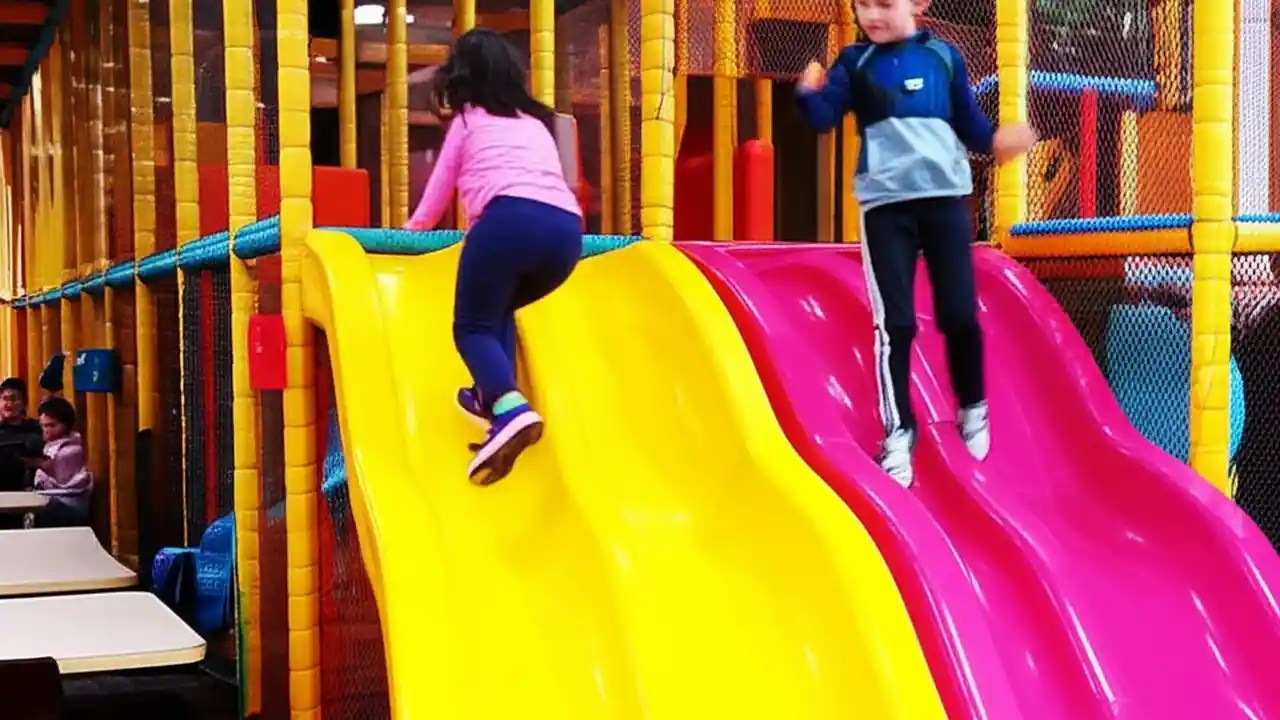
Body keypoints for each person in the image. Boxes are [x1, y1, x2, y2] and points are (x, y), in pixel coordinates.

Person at [795, 0, 1037, 487]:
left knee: (959, 313)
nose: (871, 15)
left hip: (944, 203)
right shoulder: (856, 62)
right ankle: (898, 436)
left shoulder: (944, 59)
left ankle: (973, 406)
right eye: (863, 4)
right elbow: (823, 118)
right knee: (895, 325)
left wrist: (998, 141)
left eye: (885, 4)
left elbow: (969, 125)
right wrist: (806, 93)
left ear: (918, 3)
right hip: (886, 209)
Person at [404, 28, 583, 486]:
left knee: (471, 327)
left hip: (508, 221)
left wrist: (408, 235)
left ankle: (510, 406)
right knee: (495, 309)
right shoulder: (534, 124)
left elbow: (438, 193)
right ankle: (491, 397)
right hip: (566, 234)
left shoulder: (469, 120)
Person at [26, 397, 92, 528]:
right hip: (52, 500)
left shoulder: (72, 450)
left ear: (66, 425)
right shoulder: (50, 445)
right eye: (43, 425)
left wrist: (32, 462)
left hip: (70, 505)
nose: (46, 430)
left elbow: (55, 471)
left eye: (52, 425)